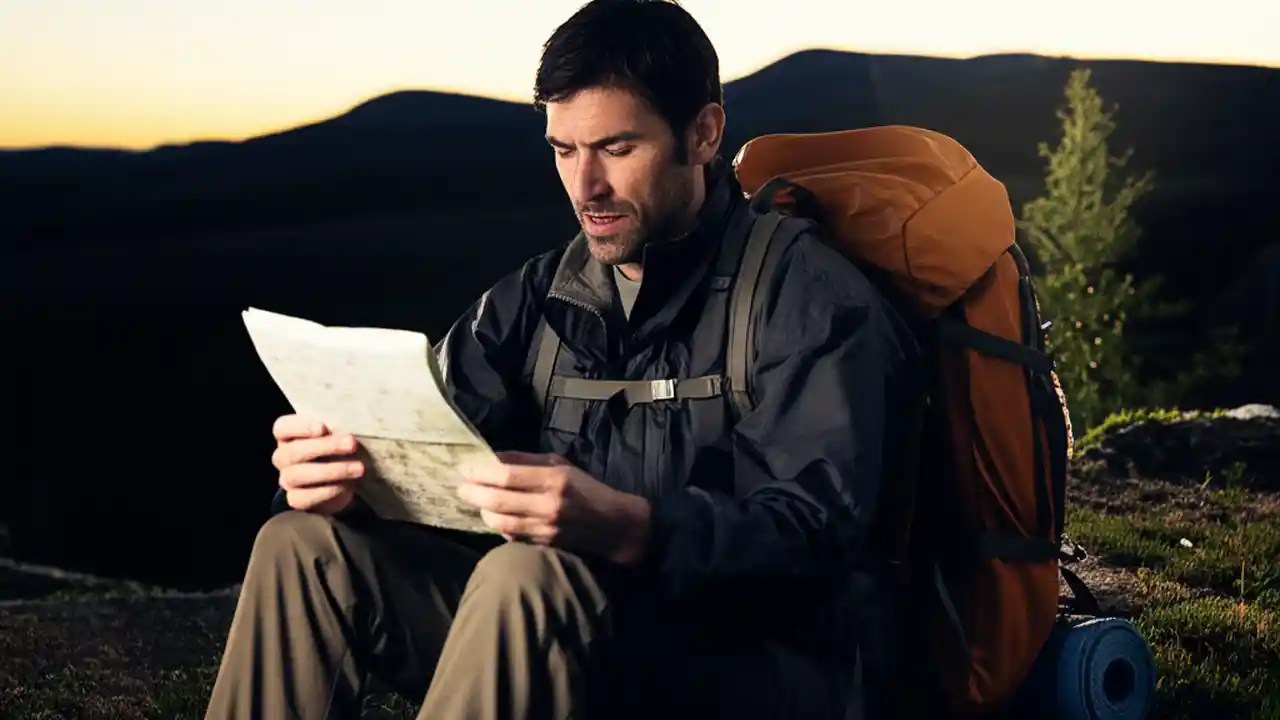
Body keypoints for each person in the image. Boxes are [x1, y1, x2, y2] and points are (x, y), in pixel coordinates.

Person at [205, 1, 920, 718]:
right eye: (563, 150)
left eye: (616, 148)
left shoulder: (809, 296)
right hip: (578, 642)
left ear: (703, 135)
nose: (586, 187)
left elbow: (819, 542)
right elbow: (429, 464)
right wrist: (337, 484)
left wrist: (634, 526)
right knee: (302, 545)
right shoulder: (537, 299)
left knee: (526, 579)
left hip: (761, 673)